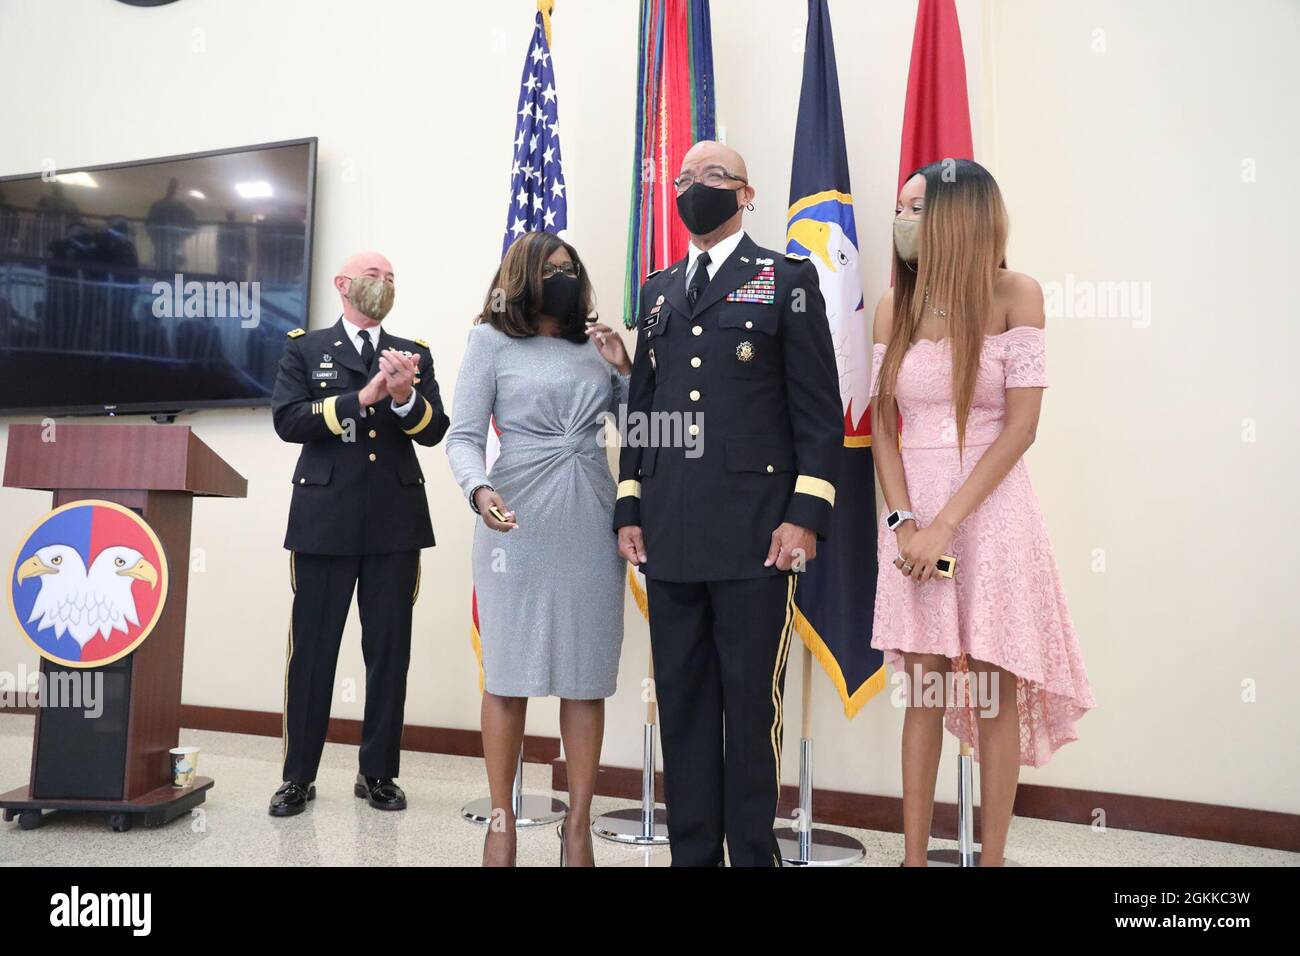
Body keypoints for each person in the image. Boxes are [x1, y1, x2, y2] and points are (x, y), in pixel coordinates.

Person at [614, 141, 842, 866]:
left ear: (746, 193)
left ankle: (751, 855)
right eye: (683, 178)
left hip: (756, 537)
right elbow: (642, 408)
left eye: (712, 176)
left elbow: (817, 413)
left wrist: (804, 514)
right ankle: (691, 857)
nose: (693, 187)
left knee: (749, 712)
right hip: (672, 532)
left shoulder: (786, 279)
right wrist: (628, 504)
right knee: (681, 707)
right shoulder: (657, 291)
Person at [869, 160, 1094, 866]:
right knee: (924, 692)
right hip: (915, 522)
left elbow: (1021, 428)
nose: (902, 222)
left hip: (992, 516)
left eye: (914, 207)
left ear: (958, 215)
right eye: (899, 209)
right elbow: (882, 425)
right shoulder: (894, 306)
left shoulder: (1015, 294)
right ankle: (912, 858)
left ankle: (989, 858)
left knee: (994, 689)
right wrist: (904, 522)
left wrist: (946, 524)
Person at [446, 231, 630, 867]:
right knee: (509, 675)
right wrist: (479, 491)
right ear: (520, 278)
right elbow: (463, 436)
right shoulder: (489, 342)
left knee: (585, 680)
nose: (562, 276)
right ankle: (502, 822)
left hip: (590, 516)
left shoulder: (596, 346)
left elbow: (640, 434)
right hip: (514, 520)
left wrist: (626, 370)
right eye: (549, 268)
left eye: (570, 267)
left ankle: (577, 827)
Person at [268, 250, 449, 817]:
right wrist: (358, 399)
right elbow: (287, 420)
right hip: (324, 522)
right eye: (374, 275)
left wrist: (402, 397)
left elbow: (435, 430)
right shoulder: (306, 348)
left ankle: (378, 773)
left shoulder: (413, 354)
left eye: (392, 276)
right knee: (314, 653)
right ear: (342, 284)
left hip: (394, 523)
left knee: (389, 654)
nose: (385, 283)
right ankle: (298, 776)